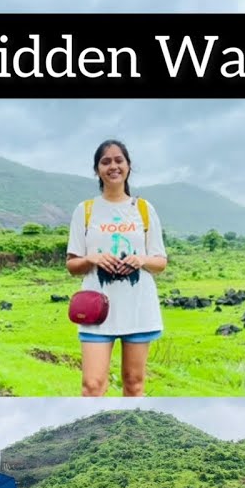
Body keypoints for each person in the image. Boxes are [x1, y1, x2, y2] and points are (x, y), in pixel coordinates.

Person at [67, 140, 169, 398]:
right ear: (97, 170)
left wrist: (141, 260)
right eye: (106, 161)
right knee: (92, 386)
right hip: (96, 310)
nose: (113, 166)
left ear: (128, 166)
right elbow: (72, 265)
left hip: (137, 306)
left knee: (134, 383)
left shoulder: (144, 210)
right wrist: (93, 259)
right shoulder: (85, 210)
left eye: (118, 160)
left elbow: (160, 262)